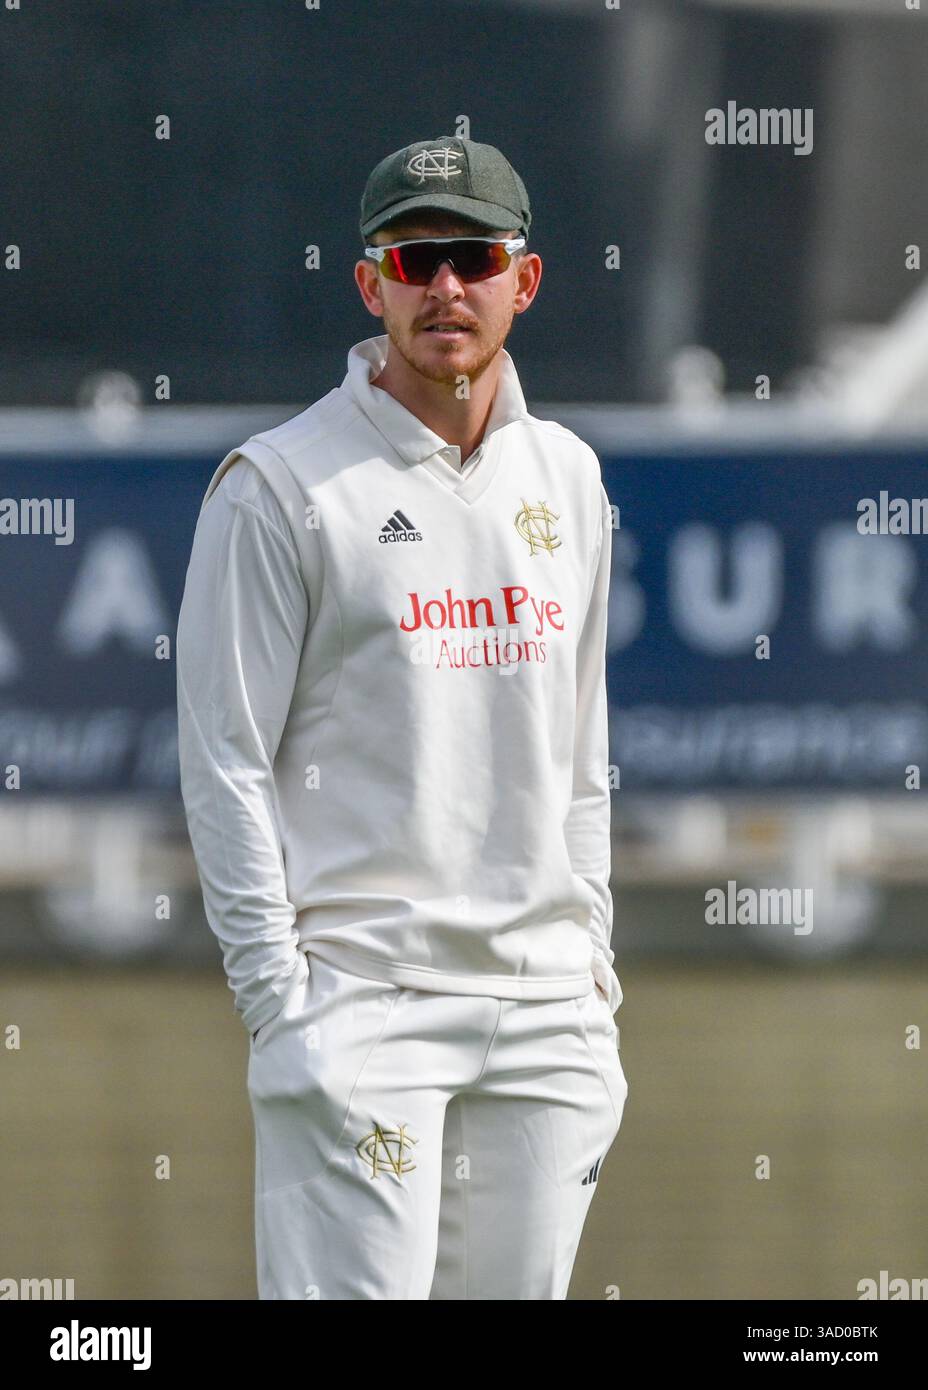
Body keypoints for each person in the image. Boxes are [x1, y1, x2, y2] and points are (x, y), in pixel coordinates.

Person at [176, 135, 628, 1300]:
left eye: (471, 256)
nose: (444, 288)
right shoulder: (279, 486)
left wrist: (592, 975)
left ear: (520, 281)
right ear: (369, 280)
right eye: (414, 257)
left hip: (544, 1019)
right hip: (363, 1007)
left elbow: (579, 758)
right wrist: (282, 1007)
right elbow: (224, 759)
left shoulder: (569, 478)